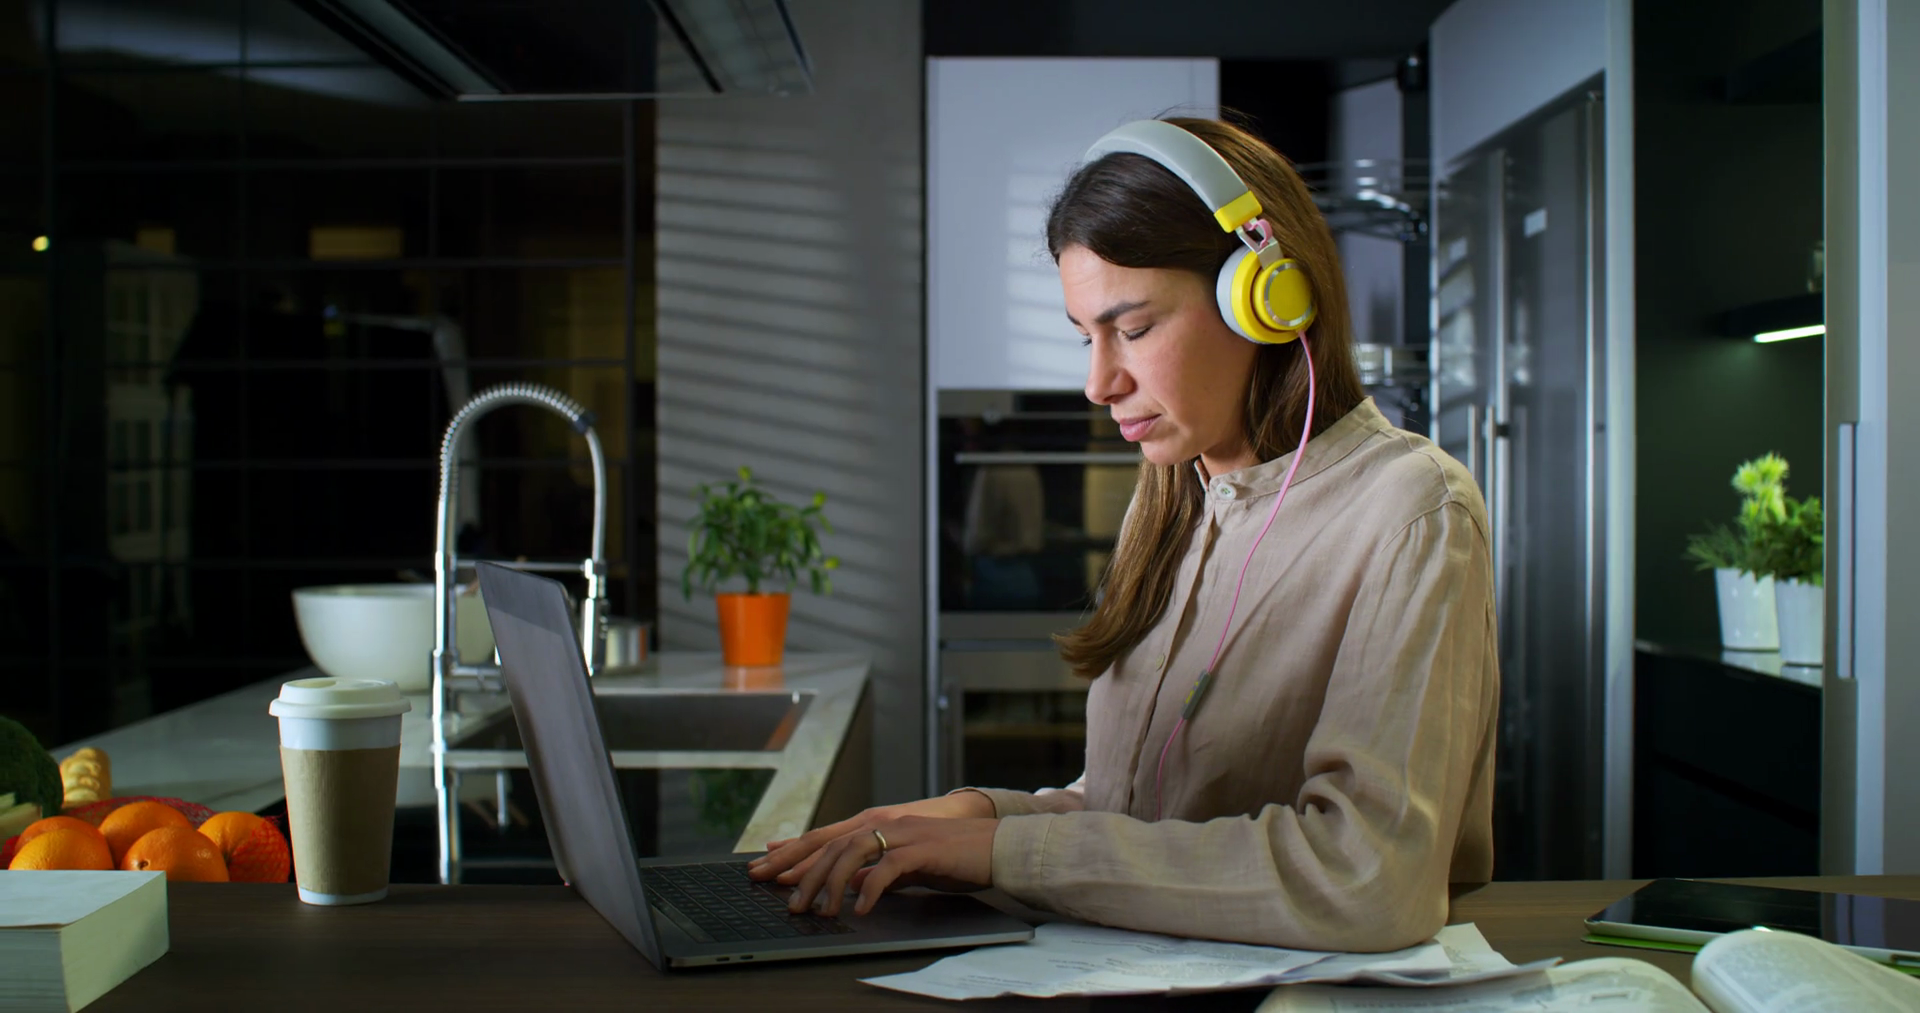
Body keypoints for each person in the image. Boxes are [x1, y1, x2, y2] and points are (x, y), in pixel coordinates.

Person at [748, 116, 1498, 953]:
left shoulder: (1411, 511)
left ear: (1268, 298)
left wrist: (1009, 848)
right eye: (1085, 337)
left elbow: (1370, 878)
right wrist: (979, 817)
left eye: (1133, 329)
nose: (1099, 382)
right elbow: (1140, 819)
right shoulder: (1172, 496)